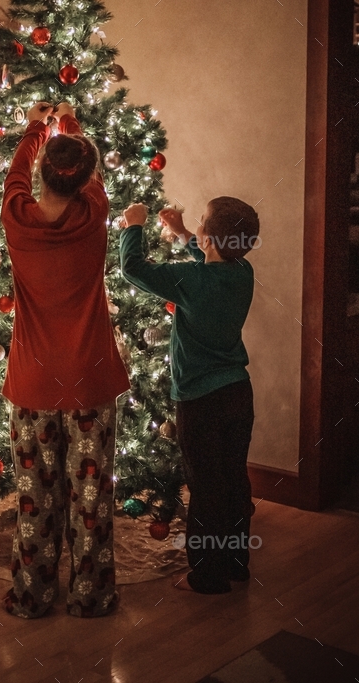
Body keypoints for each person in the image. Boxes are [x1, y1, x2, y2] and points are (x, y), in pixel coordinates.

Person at [1, 101, 130, 618]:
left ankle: (32, 596)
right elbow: (91, 176)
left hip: (32, 381)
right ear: (85, 179)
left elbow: (13, 177)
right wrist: (70, 123)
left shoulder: (17, 216)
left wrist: (36, 125)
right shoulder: (93, 214)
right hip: (89, 380)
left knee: (35, 496)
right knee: (91, 496)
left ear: (42, 175)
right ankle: (91, 596)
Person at [119, 197, 260, 595]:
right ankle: (235, 562)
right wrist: (184, 233)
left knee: (205, 486)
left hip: (201, 400)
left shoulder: (191, 281)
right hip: (237, 392)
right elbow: (211, 259)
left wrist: (134, 226)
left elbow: (134, 269)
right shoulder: (243, 272)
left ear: (210, 239)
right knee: (234, 478)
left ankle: (206, 576)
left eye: (200, 224)